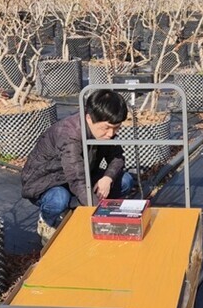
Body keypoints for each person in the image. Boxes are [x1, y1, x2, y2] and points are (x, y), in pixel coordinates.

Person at [21, 89, 134, 245]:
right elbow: (76, 178)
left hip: (83, 174)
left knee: (125, 181)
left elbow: (117, 157)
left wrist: (107, 178)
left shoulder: (105, 131)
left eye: (116, 128)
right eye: (106, 128)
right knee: (59, 199)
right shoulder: (70, 133)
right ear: (89, 118)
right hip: (48, 182)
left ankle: (76, 207)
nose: (110, 134)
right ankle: (47, 221)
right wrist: (101, 215)